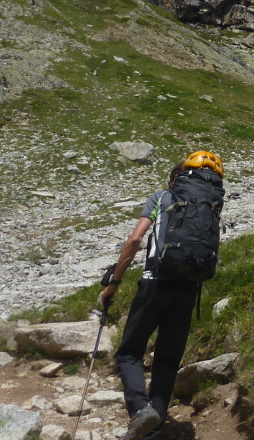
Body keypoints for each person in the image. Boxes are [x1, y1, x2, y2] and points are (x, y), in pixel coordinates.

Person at [100, 150, 225, 440]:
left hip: (154, 282)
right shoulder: (211, 204)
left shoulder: (160, 197)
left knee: (129, 352)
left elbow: (134, 240)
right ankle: (155, 426)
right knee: (168, 360)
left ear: (174, 179)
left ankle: (140, 408)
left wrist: (114, 282)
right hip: (188, 288)